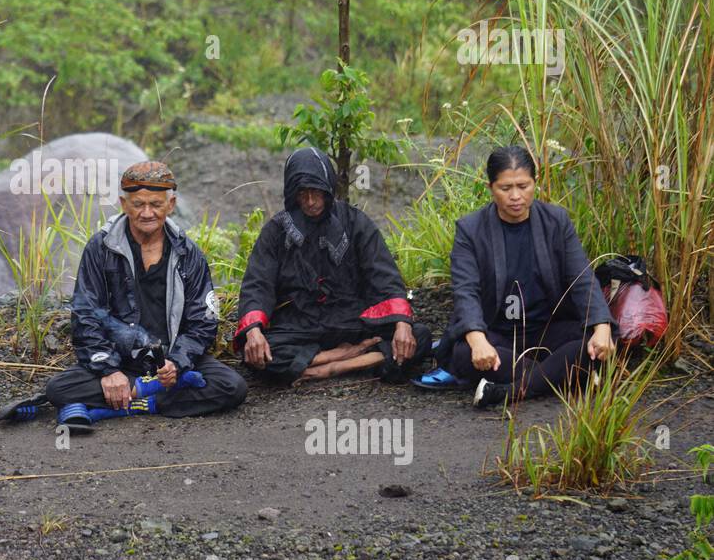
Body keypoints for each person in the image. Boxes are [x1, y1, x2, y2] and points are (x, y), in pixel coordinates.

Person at [0, 161, 246, 432]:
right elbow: (85, 314)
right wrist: (108, 370)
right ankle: (142, 394)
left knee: (231, 387)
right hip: (122, 362)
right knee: (59, 388)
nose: (147, 213)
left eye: (156, 204)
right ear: (123, 204)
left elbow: (203, 320)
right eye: (138, 204)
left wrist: (177, 361)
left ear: (171, 204)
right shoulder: (101, 248)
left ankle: (124, 402)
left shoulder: (189, 254)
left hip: (170, 367)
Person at [234, 147, 432, 385]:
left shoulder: (355, 222)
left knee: (418, 336)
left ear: (328, 188)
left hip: (352, 320)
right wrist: (254, 331)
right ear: (292, 193)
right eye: (303, 193)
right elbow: (257, 284)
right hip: (301, 324)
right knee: (252, 349)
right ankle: (348, 358)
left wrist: (402, 324)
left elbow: (384, 275)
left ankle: (318, 368)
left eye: (316, 192)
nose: (310, 201)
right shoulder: (276, 231)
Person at [445, 146, 616, 408]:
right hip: (499, 333)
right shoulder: (470, 229)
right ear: (490, 187)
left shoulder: (556, 221)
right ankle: (562, 375)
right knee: (463, 352)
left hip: (548, 329)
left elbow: (582, 277)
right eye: (505, 188)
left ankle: (507, 392)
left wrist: (602, 327)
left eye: (523, 186)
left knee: (599, 341)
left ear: (535, 183)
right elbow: (465, 290)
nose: (516, 196)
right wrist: (478, 340)